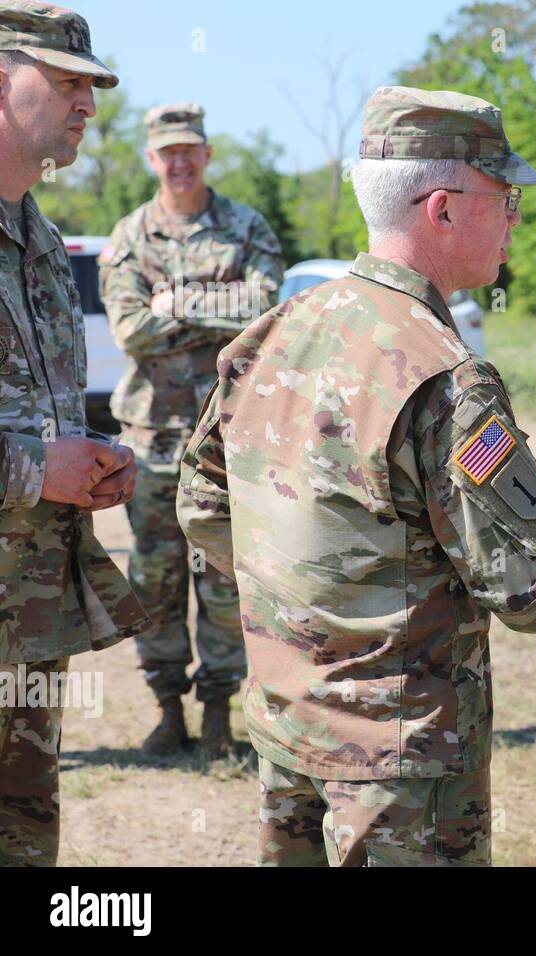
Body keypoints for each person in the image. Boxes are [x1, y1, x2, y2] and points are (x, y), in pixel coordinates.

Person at [176, 86, 536, 867]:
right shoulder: (444, 375)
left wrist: (312, 624)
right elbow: (533, 587)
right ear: (444, 209)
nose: (516, 220)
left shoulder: (275, 334)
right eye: (506, 196)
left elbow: (203, 505)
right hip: (401, 764)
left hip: (289, 728)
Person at [0, 0, 149, 865]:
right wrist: (30, 471)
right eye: (66, 83)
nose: (88, 103)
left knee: (24, 833)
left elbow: (42, 412)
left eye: (92, 86)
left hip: (29, 614)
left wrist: (92, 459)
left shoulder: (42, 241)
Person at [99, 102, 284, 758]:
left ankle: (218, 718)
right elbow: (130, 330)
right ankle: (166, 709)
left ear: (206, 153)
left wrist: (175, 302)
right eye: (166, 151)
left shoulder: (244, 225)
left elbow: (265, 309)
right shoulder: (129, 235)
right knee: (156, 575)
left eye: (190, 149)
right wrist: (217, 308)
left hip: (228, 436)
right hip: (152, 437)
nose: (179, 161)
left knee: (226, 576)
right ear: (152, 158)